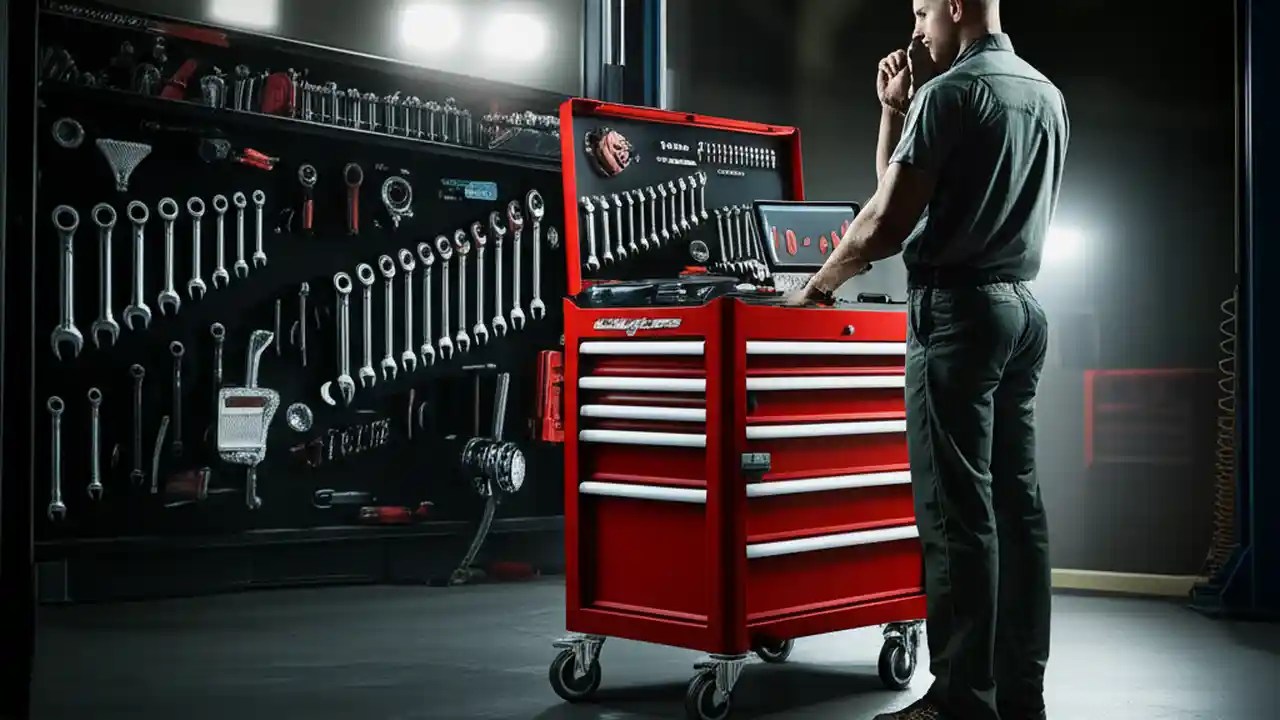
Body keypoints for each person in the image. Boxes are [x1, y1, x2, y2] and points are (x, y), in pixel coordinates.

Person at [784, 1, 1069, 718]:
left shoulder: (952, 93)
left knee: (955, 514)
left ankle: (959, 703)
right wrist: (894, 110)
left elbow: (887, 220)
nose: (915, 29)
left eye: (921, 11)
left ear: (955, 6)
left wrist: (818, 287)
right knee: (1017, 511)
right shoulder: (1044, 93)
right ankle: (1019, 696)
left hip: (958, 315)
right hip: (1021, 313)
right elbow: (900, 189)